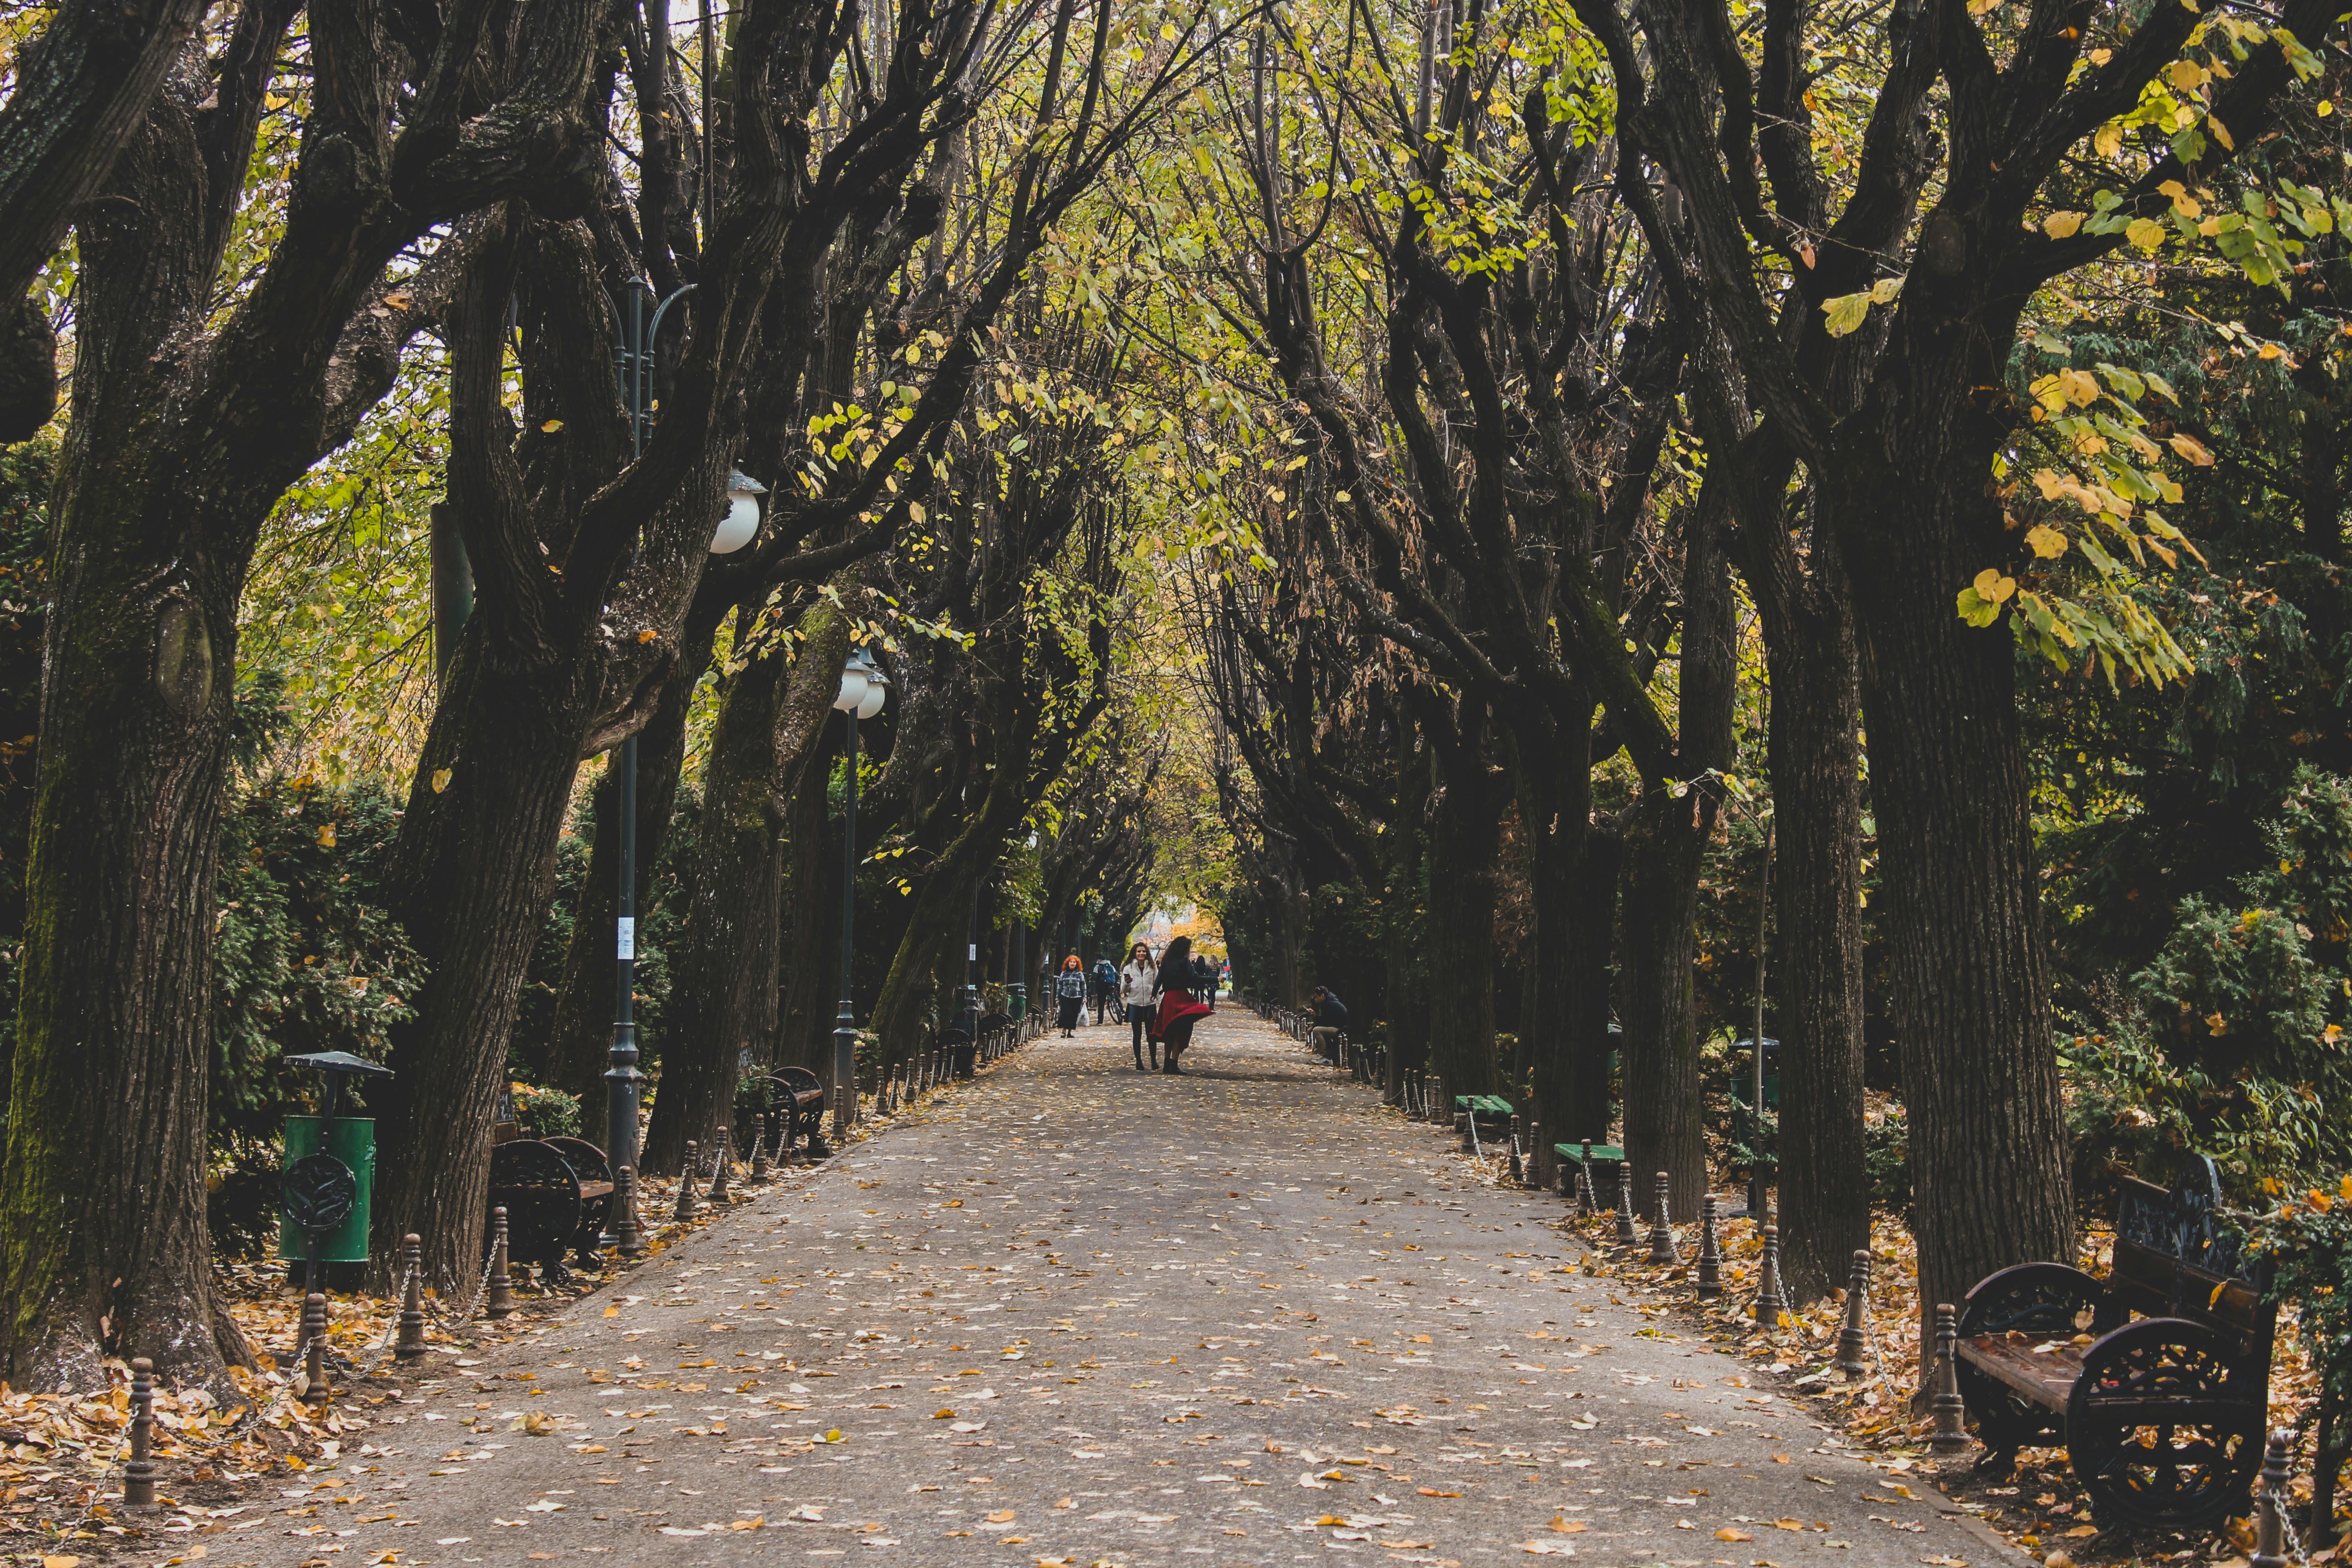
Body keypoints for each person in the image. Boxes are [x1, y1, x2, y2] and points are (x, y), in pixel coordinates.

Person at [1152, 935, 1212, 1073]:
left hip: (1168, 999)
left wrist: (1153, 993)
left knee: (1169, 1030)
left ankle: (1167, 1064)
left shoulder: (1166, 962)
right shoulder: (1184, 962)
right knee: (1181, 1031)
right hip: (1181, 997)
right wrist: (1215, 979)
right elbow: (1196, 978)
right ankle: (1174, 1064)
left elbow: (1158, 980)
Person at [1118, 942, 1159, 1070]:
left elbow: (1157, 984)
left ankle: (1154, 1060)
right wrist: (1126, 983)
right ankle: (1139, 1062)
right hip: (1135, 1003)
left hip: (1149, 1003)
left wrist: (1158, 998)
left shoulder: (1152, 967)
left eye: (1144, 951)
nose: (1142, 954)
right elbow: (1124, 990)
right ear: (1135, 954)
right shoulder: (1128, 968)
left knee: (1151, 1034)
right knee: (1137, 1034)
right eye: (1139, 952)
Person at [1310, 983, 1348, 1061]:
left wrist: (1313, 1027)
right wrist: (1315, 1016)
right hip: (1337, 1027)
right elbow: (1326, 1020)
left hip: (1341, 1029)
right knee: (1319, 1029)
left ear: (1323, 996)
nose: (1315, 1000)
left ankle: (1326, 1057)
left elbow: (1326, 1022)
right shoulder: (1328, 1002)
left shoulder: (1330, 1004)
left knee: (1317, 1031)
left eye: (1317, 997)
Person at [1053, 955, 1087, 1037]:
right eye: (1071, 962)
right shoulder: (1064, 974)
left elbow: (1083, 986)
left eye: (1074, 962)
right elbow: (1060, 986)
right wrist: (1057, 998)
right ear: (1068, 964)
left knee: (1074, 1014)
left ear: (1077, 964)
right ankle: (1064, 1031)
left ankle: (1070, 1032)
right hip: (1065, 996)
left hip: (1077, 997)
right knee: (1065, 1014)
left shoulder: (1080, 974)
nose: (1072, 964)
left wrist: (1084, 997)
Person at [1092, 955, 1119, 1024]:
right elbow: (1117, 975)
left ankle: (1100, 1021)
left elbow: (1094, 977)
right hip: (1111, 986)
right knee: (1116, 997)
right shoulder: (1111, 966)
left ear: (1099, 960)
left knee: (1101, 1004)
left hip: (1102, 988)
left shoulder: (1098, 967)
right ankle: (1122, 1012)